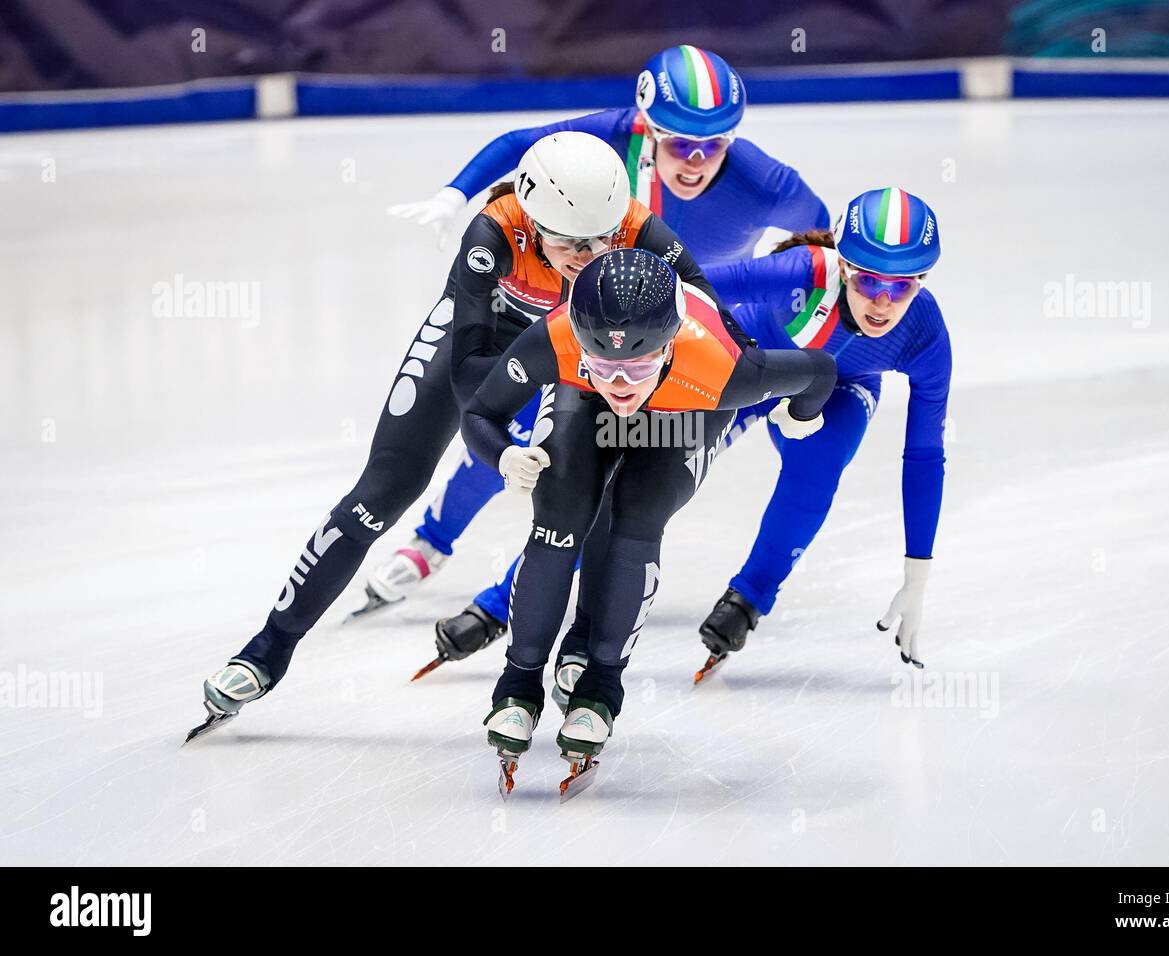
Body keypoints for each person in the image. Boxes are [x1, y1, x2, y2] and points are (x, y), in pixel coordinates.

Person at [184, 133, 729, 742]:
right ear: (530, 216)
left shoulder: (639, 229)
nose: (586, 255)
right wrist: (501, 435)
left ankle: (580, 646)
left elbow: (716, 326)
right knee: (384, 490)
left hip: (578, 354)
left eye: (601, 241)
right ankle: (267, 649)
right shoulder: (493, 233)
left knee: (594, 493)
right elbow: (469, 371)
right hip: (487, 348)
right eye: (568, 241)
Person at [365, 45, 830, 643]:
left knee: (615, 469)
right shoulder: (611, 139)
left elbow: (820, 249)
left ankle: (518, 607)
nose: (695, 160)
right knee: (525, 433)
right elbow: (519, 146)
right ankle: (433, 540)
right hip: (591, 323)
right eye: (678, 141)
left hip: (678, 347)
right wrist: (455, 195)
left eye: (714, 145)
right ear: (646, 126)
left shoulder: (766, 182)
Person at [458, 247, 837, 795]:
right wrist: (502, 457)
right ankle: (518, 682)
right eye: (604, 363)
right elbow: (479, 413)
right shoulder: (557, 339)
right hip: (578, 400)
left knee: (638, 515)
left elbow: (819, 372)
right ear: (580, 344)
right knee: (558, 516)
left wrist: (801, 418)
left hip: (689, 404)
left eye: (635, 366)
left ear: (666, 347)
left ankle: (602, 684)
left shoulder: (726, 369)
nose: (620, 384)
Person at [693, 187, 950, 677]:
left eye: (902, 287)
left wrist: (917, 573)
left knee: (817, 467)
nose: (882, 302)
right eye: (870, 281)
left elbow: (923, 455)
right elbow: (698, 285)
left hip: (840, 389)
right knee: (663, 459)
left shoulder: (925, 333)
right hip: (752, 354)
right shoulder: (805, 271)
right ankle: (515, 586)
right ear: (844, 266)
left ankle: (750, 596)